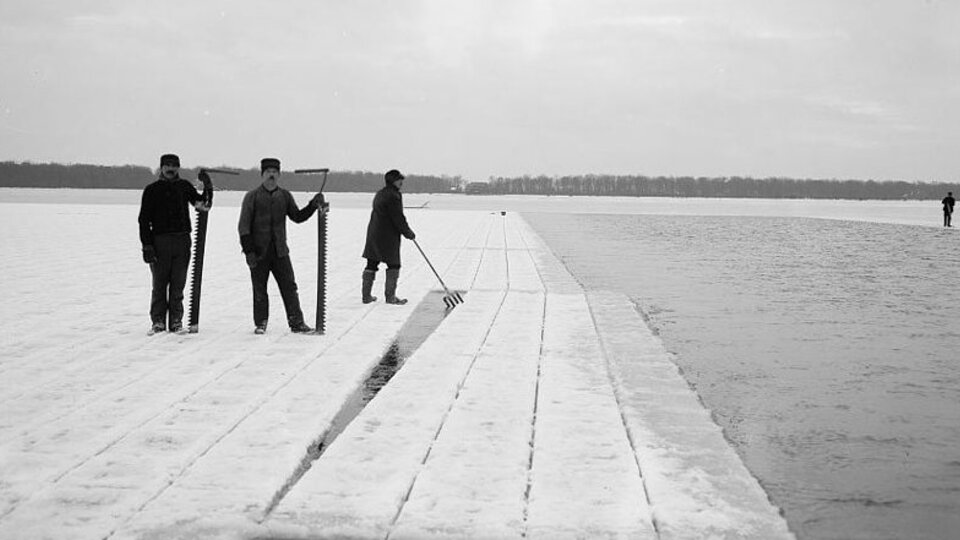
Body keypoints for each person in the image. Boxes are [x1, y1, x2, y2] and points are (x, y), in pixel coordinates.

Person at [238, 158, 326, 334]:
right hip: (258, 252)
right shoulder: (252, 197)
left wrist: (313, 205)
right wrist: (249, 251)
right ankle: (261, 323)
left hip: (280, 251)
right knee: (260, 289)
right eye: (268, 172)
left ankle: (296, 323)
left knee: (289, 287)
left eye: (274, 172)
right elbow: (243, 226)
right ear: (262, 175)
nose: (271, 175)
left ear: (279, 175)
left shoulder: (284, 196)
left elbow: (297, 217)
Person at [138, 154, 212, 335]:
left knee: (178, 284)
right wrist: (147, 245)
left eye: (174, 166)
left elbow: (201, 204)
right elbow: (143, 220)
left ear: (178, 168)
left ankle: (176, 321)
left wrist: (208, 187)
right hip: (159, 241)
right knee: (159, 285)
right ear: (161, 168)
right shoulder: (152, 190)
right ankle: (158, 321)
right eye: (167, 166)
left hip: (181, 241)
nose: (171, 169)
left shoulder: (184, 187)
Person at [362, 169, 416, 305]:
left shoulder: (380, 193)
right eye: (399, 180)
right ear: (393, 181)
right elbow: (398, 217)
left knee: (372, 263)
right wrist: (408, 232)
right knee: (394, 265)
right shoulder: (394, 195)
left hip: (374, 232)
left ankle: (366, 296)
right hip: (387, 236)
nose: (402, 182)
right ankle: (390, 297)